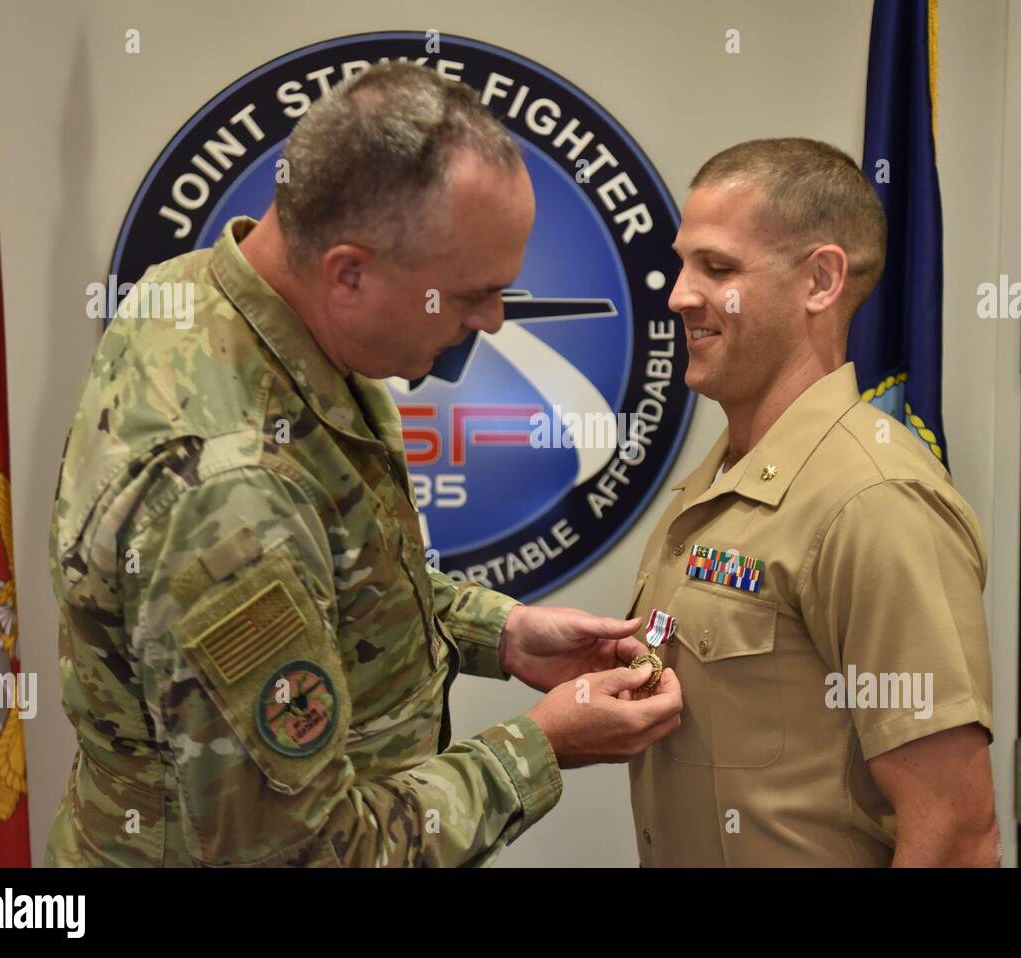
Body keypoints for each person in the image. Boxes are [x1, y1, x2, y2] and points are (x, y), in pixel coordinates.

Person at [46, 62, 681, 868]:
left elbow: (334, 578)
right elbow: (305, 854)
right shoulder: (232, 497)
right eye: (469, 295)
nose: (492, 322)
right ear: (349, 272)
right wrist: (543, 747)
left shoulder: (213, 293)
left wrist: (504, 634)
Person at [625, 138, 997, 866]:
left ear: (821, 281)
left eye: (718, 267)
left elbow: (955, 832)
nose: (678, 294)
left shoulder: (873, 500)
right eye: (682, 263)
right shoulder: (716, 485)